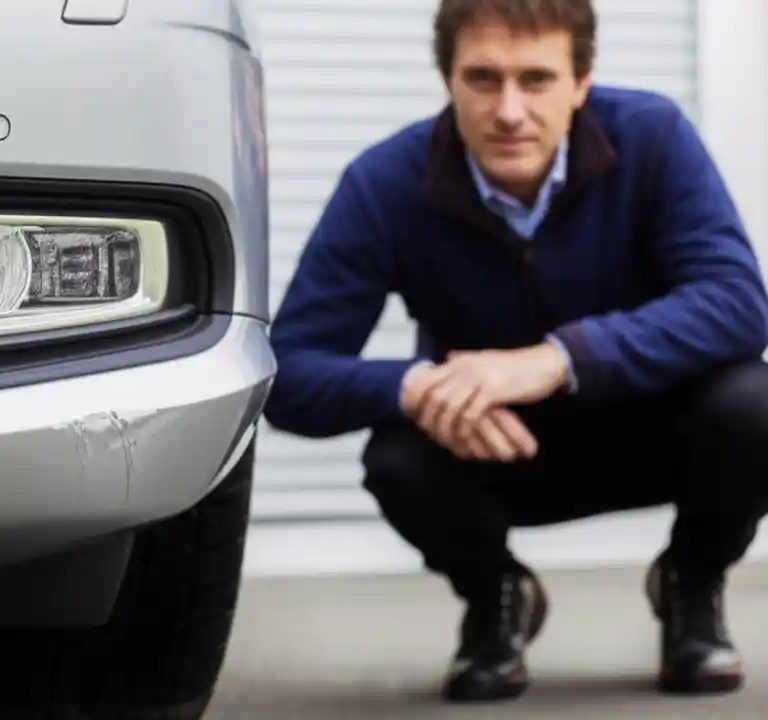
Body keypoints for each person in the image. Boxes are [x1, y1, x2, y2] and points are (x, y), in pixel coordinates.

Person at [262, 0, 768, 705]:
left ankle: (692, 583)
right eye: (482, 78)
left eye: (535, 79)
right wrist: (419, 386)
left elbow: (739, 304)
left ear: (580, 82)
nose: (508, 110)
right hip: (497, 449)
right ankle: (497, 598)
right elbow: (289, 373)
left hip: (652, 434)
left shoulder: (653, 138)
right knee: (399, 457)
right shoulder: (384, 183)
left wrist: (553, 359)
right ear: (447, 79)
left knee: (755, 405)